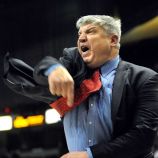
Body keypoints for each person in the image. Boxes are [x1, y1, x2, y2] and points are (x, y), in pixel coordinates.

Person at [13, 15, 158, 158]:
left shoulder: (144, 78)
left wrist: (89, 155)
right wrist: (53, 69)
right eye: (79, 34)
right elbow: (42, 68)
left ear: (113, 40)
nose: (81, 38)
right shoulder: (73, 68)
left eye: (90, 31)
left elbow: (142, 137)